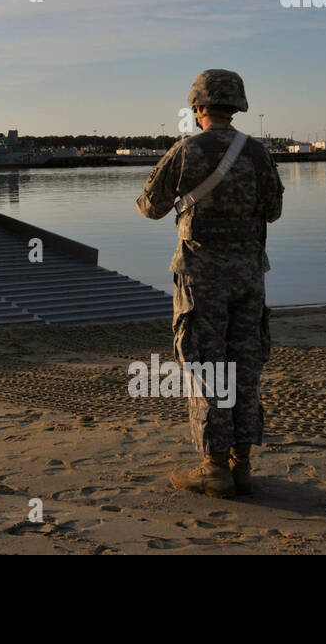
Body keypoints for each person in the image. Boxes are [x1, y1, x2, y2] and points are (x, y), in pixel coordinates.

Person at [135, 70, 284, 498]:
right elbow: (273, 211)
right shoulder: (257, 153)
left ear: (197, 106)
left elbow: (149, 208)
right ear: (236, 106)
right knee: (245, 366)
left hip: (202, 281)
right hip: (250, 277)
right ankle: (243, 466)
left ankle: (214, 467)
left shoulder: (186, 150)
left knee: (208, 369)